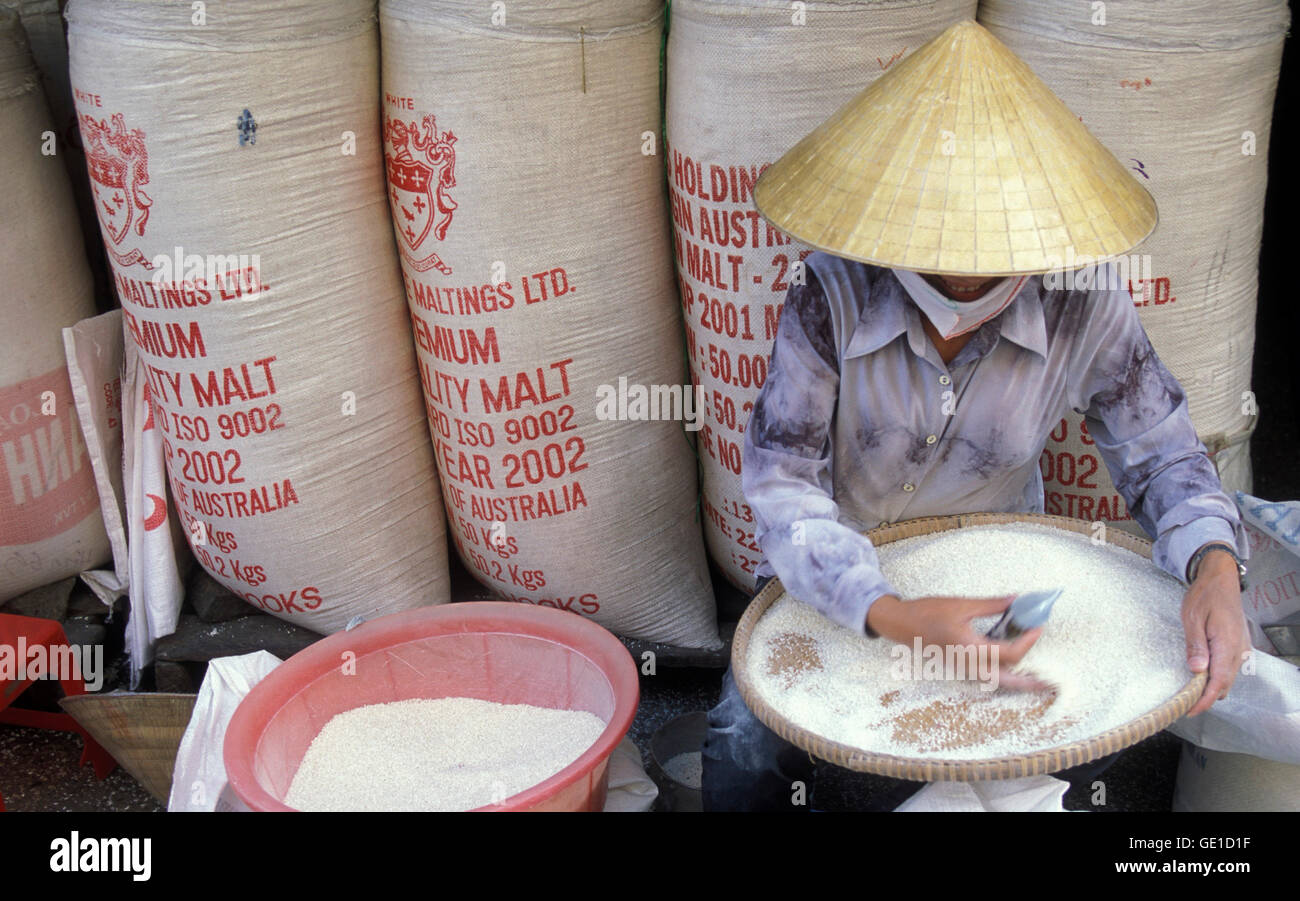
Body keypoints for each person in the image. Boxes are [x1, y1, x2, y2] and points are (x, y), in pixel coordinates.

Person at [702, 20, 1251, 812]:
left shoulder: (1079, 300)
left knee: (1048, 746)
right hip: (838, 563)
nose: (964, 273)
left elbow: (1162, 454)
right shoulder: (832, 294)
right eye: (939, 243)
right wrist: (893, 612)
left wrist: (1216, 567)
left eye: (991, 246)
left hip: (996, 562)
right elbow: (784, 486)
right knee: (743, 749)